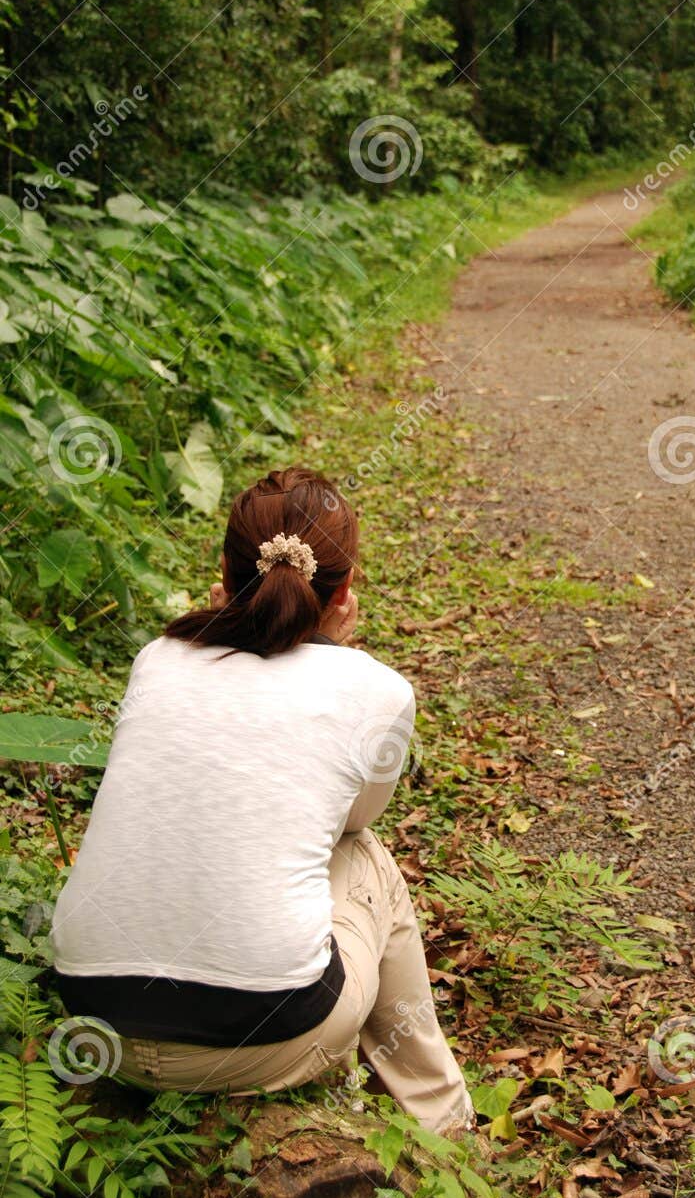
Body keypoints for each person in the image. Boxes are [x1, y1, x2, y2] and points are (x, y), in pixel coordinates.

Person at [50, 466, 472, 1135]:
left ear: (223, 571)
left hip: (95, 1023)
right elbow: (353, 821)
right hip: (265, 1039)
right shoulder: (378, 689)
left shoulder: (157, 657)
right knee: (368, 860)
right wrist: (330, 652)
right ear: (345, 592)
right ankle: (442, 1126)